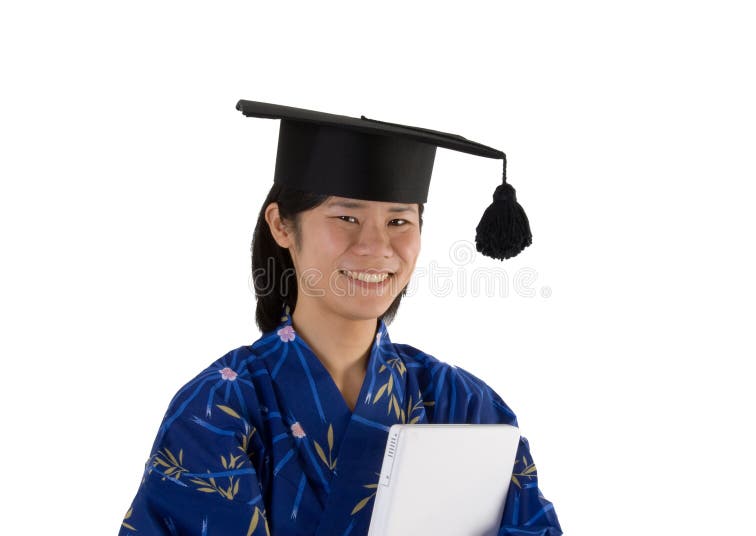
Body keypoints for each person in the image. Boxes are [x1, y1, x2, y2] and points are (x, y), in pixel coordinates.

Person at [118, 100, 563, 535]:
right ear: (282, 226)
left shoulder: (461, 404)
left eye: (399, 222)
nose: (376, 247)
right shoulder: (219, 409)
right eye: (346, 216)